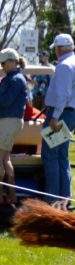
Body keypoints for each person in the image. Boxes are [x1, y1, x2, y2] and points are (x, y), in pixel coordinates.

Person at [41, 33, 75, 207]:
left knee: (51, 156)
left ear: (59, 49)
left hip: (61, 114)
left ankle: (52, 200)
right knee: (61, 156)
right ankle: (64, 199)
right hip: (72, 113)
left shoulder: (64, 66)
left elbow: (62, 95)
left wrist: (54, 116)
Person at [0, 48, 25, 204]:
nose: (2, 66)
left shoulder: (14, 79)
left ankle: (3, 199)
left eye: (3, 63)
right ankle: (11, 197)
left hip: (8, 121)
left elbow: (5, 101)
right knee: (5, 158)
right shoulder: (13, 78)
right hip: (10, 121)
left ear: (11, 62)